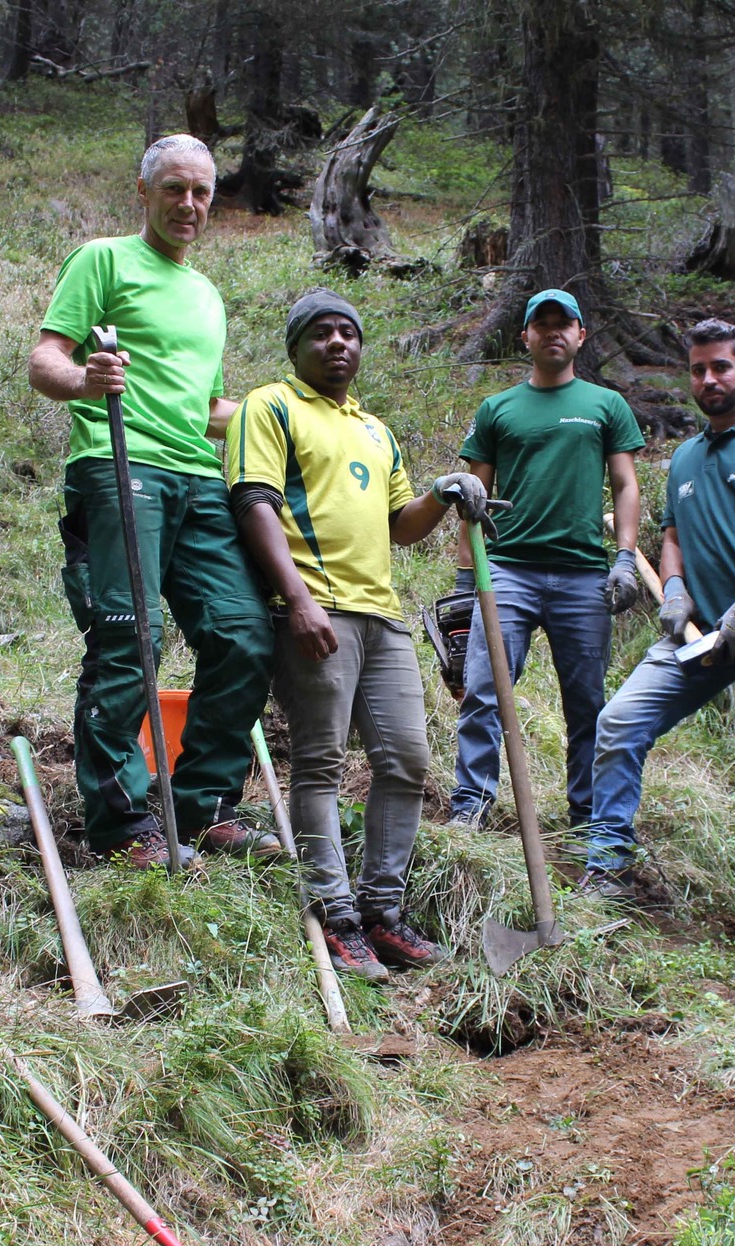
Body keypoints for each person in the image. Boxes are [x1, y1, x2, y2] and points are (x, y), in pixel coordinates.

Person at [27, 133, 280, 870]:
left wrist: (289, 418)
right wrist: (84, 381)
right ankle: (119, 821)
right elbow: (47, 358)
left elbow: (204, 406)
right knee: (129, 634)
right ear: (144, 192)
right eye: (174, 188)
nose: (190, 204)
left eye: (202, 191)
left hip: (199, 478)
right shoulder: (103, 259)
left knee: (243, 634)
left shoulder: (206, 295)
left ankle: (203, 806)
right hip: (118, 462)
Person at [228, 290, 495, 979]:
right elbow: (254, 500)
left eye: (350, 332)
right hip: (316, 608)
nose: (339, 343)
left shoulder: (376, 431)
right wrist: (297, 598)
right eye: (322, 333)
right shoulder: (270, 406)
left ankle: (383, 911)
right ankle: (336, 914)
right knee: (319, 760)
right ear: (296, 347)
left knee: (406, 758)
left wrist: (442, 490)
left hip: (383, 617)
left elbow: (401, 525)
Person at [579, 320, 735, 956]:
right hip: (698, 634)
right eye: (697, 369)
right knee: (620, 720)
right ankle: (606, 864)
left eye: (721, 367)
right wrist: (676, 588)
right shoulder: (685, 456)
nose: (709, 379)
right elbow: (674, 534)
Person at [447, 289, 646, 832]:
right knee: (486, 692)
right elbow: (471, 497)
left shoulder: (606, 405)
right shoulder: (498, 409)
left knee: (587, 703)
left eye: (566, 324)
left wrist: (624, 559)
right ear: (526, 337)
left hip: (584, 575)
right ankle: (471, 805)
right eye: (543, 324)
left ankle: (586, 816)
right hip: (505, 570)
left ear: (581, 336)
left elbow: (626, 485)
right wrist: (468, 578)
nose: (554, 332)